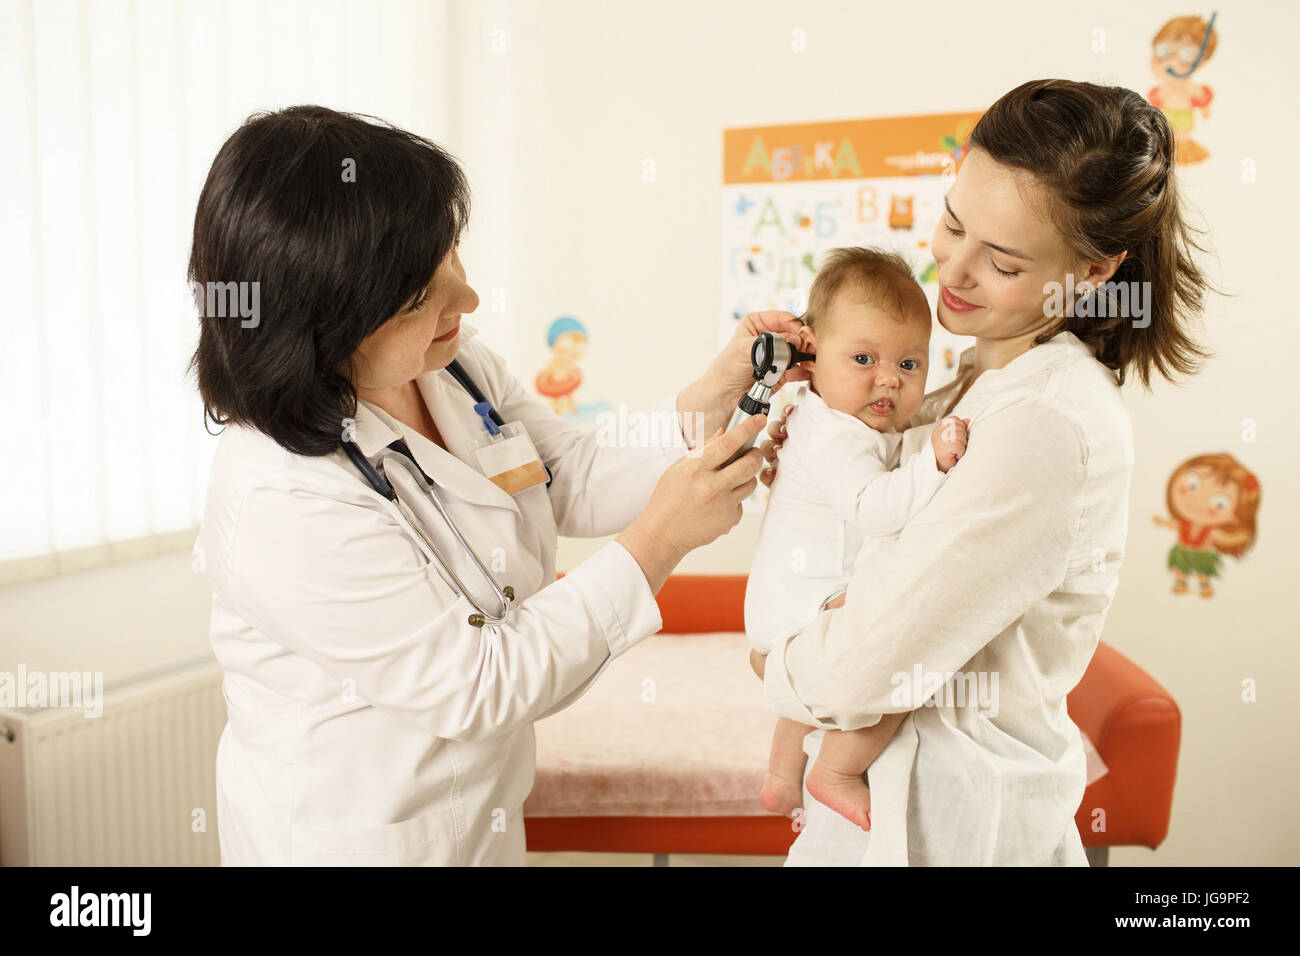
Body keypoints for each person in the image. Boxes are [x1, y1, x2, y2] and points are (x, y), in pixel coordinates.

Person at [187, 105, 809, 865]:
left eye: (450, 252)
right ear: (323, 324)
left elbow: (564, 473)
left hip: (479, 822)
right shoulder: (281, 500)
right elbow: (481, 683)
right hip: (359, 841)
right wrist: (661, 539)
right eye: (420, 292)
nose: (467, 298)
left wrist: (709, 397)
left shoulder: (448, 363)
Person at [755, 78, 1212, 865]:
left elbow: (862, 668)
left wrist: (776, 662)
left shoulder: (1045, 422)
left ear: (1095, 273)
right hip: (897, 805)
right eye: (952, 222)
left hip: (951, 819)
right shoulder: (981, 379)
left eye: (1000, 261)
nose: (953, 274)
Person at [744, 247, 968, 831]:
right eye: (864, 357)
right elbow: (875, 508)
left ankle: (780, 777)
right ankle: (838, 770)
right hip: (808, 606)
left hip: (789, 607)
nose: (888, 379)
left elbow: (907, 425)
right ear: (811, 353)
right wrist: (935, 465)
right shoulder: (834, 436)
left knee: (828, 672)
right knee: (904, 662)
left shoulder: (830, 415)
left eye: (910, 364)